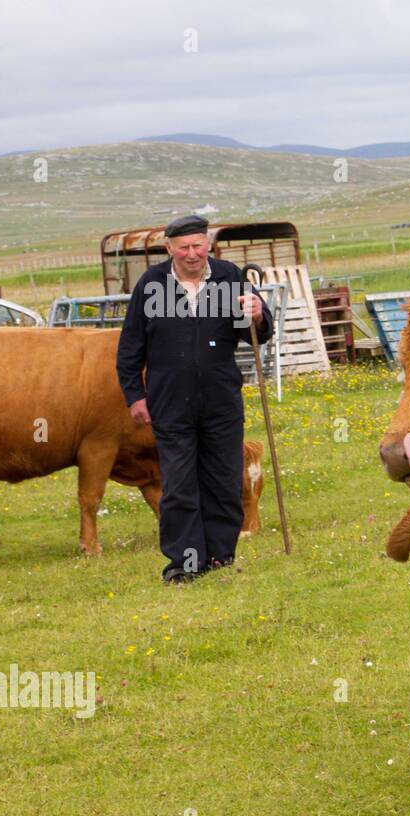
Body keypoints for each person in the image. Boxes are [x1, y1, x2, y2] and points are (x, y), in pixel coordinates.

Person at [116, 215, 273, 583]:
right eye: (184, 247)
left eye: (198, 245)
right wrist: (134, 395)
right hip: (169, 401)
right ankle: (185, 564)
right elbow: (130, 346)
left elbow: (258, 333)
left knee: (222, 479)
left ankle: (220, 557)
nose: (192, 254)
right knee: (179, 484)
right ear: (169, 248)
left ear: (208, 245)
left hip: (221, 398)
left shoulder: (229, 276)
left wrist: (258, 315)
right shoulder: (152, 284)